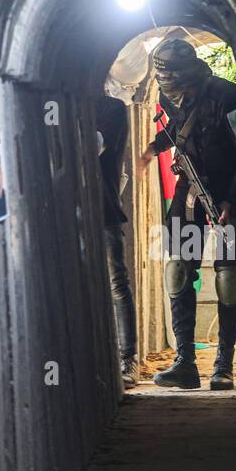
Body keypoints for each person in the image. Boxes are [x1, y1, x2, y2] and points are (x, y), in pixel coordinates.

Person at [136, 39, 236, 390]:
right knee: (177, 268)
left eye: (176, 83)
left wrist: (232, 202)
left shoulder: (228, 98)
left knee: (227, 278)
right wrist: (152, 150)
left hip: (231, 191)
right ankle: (185, 363)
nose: (172, 92)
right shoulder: (168, 97)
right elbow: (176, 129)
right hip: (189, 189)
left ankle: (224, 364)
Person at [96, 94, 138, 388]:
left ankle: (127, 359)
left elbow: (94, 146)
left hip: (103, 208)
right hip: (62, 211)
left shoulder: (111, 109)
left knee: (116, 284)